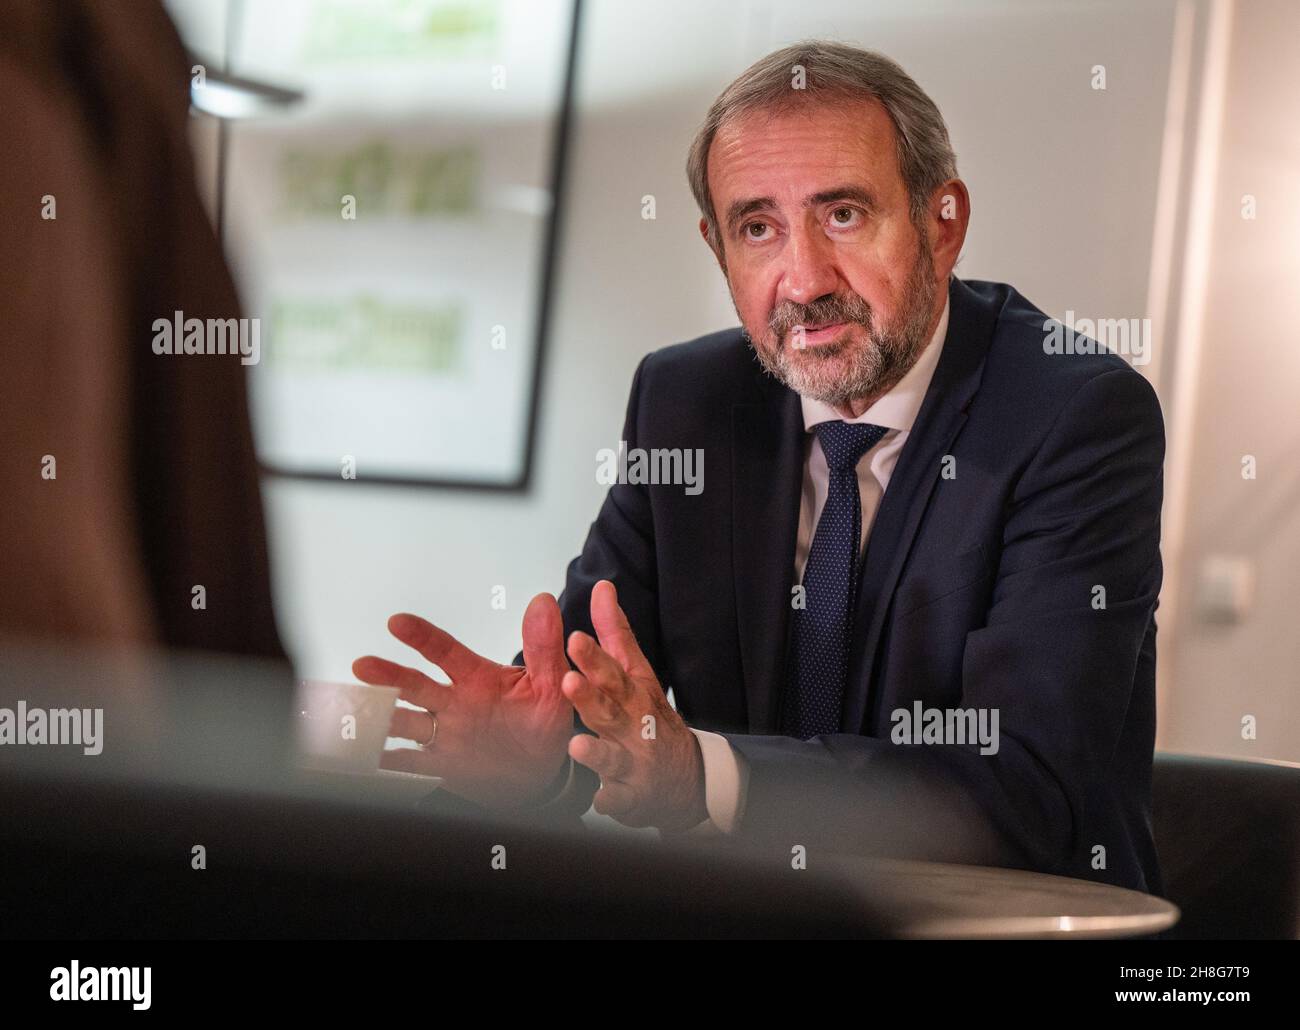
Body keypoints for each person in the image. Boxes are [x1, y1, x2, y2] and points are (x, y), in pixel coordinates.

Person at [355, 40, 1164, 894]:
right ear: (718, 247)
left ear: (943, 221)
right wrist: (539, 758)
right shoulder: (687, 402)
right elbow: (600, 699)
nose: (803, 279)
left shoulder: (1075, 418)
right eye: (758, 228)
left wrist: (702, 777)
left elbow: (1024, 789)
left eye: (843, 214)